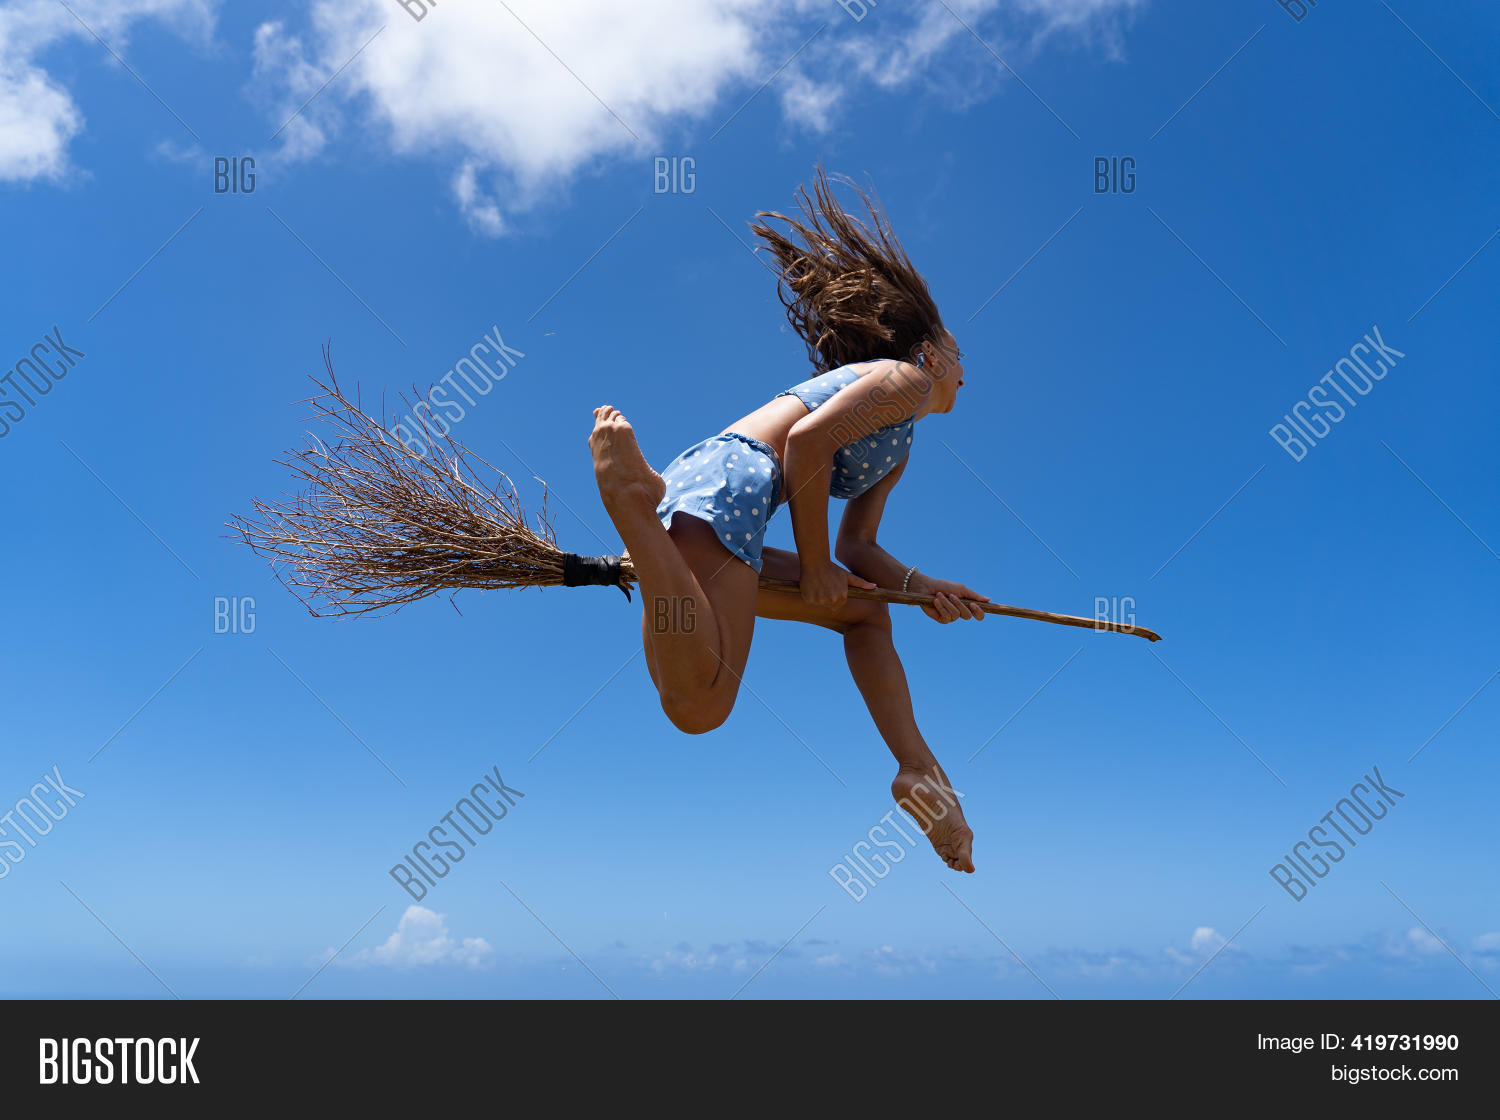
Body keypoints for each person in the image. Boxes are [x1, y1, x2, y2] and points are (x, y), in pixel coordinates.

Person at [589, 169, 986, 872]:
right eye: (961, 357)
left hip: (718, 496)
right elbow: (805, 444)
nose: (965, 374)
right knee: (700, 706)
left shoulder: (899, 446)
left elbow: (857, 547)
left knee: (866, 613)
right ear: (929, 353)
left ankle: (919, 770)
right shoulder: (905, 381)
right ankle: (634, 510)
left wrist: (924, 587)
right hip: (733, 484)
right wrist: (814, 566)